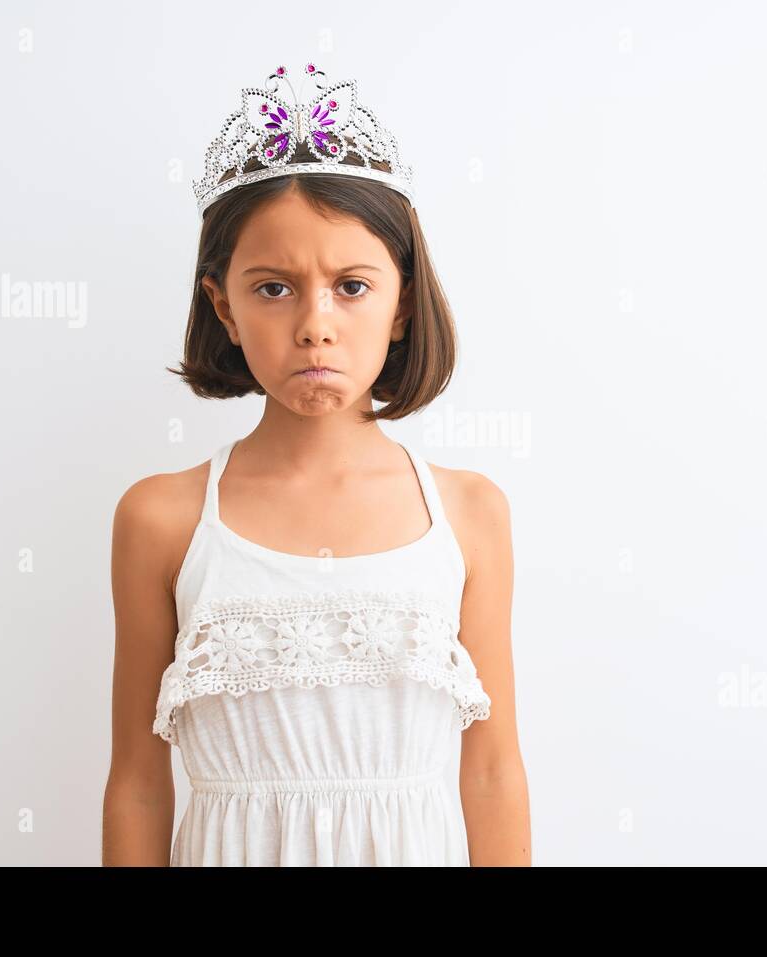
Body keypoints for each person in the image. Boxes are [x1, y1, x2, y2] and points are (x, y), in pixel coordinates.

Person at [101, 62, 530, 866]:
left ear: (402, 302)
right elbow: (136, 779)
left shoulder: (469, 514)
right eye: (273, 288)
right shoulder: (162, 519)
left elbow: (495, 771)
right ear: (222, 304)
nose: (315, 325)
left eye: (352, 286)